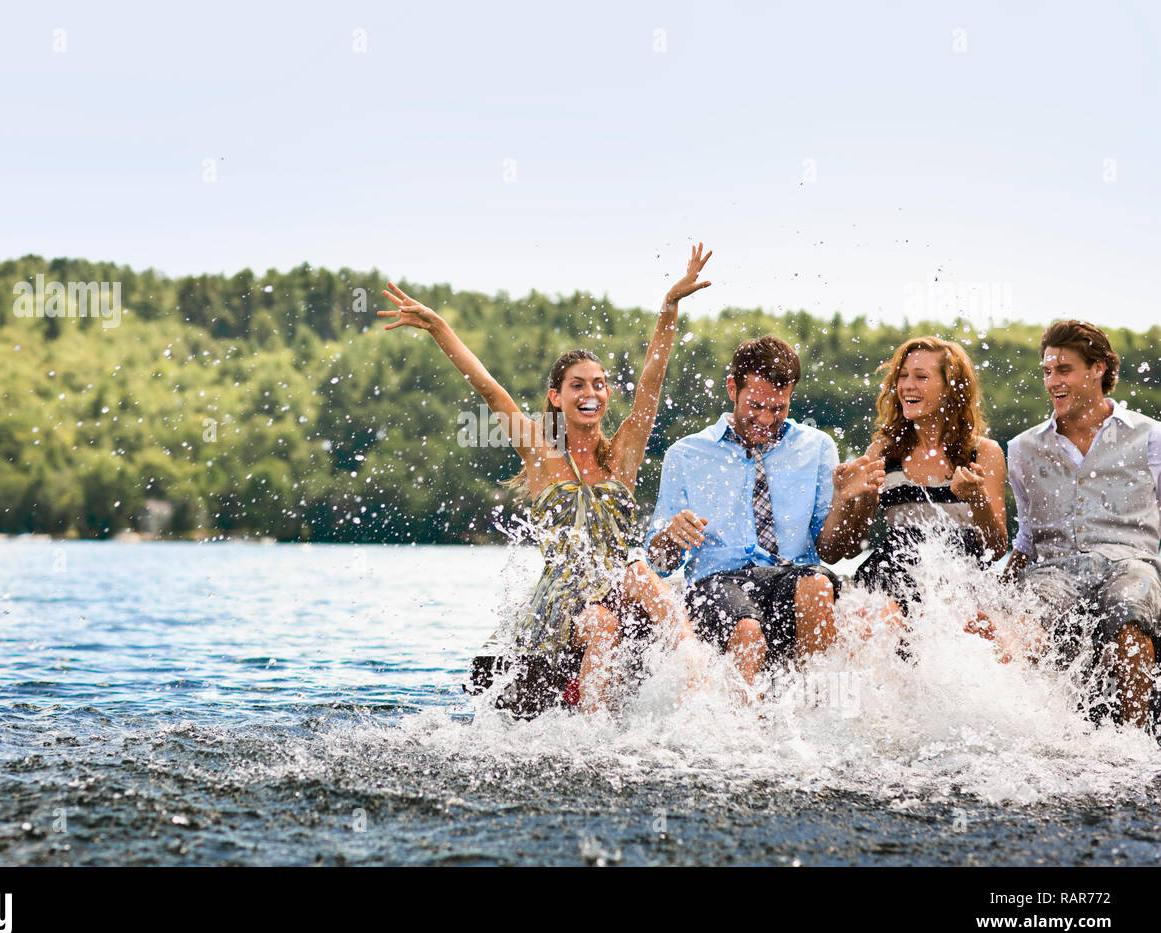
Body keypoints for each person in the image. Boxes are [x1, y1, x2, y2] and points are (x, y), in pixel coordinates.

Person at [378, 244, 714, 713]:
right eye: (578, 385)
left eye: (598, 384)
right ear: (557, 397)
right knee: (601, 623)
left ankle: (702, 693)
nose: (590, 393)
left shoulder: (622, 456)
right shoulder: (540, 455)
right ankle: (591, 734)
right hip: (565, 599)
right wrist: (439, 327)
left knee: (637, 570)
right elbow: (489, 390)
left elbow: (652, 385)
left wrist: (669, 308)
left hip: (624, 581)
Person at [645, 334, 885, 686]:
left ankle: (815, 713)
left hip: (791, 574)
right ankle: (742, 736)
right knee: (747, 631)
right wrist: (671, 536)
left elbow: (832, 552)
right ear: (732, 389)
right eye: (755, 405)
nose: (766, 418)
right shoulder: (685, 454)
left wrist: (847, 501)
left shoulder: (817, 447)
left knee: (818, 586)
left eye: (779, 408)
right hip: (717, 583)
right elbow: (659, 565)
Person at [1002, 320, 1161, 729]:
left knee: (1129, 610)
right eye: (1047, 371)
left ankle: (1134, 738)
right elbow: (1026, 536)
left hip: (1132, 562)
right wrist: (995, 591)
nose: (1052, 381)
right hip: (1056, 569)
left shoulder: (1150, 437)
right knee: (1029, 617)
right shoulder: (1022, 448)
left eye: (1064, 369)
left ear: (1099, 369)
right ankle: (1030, 731)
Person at [831, 337, 1008, 614]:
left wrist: (977, 498)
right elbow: (852, 548)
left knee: (979, 625)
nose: (907, 386)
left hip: (961, 580)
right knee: (881, 618)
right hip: (893, 574)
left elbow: (996, 549)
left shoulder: (984, 453)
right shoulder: (881, 452)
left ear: (950, 388)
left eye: (921, 377)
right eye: (902, 376)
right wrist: (862, 499)